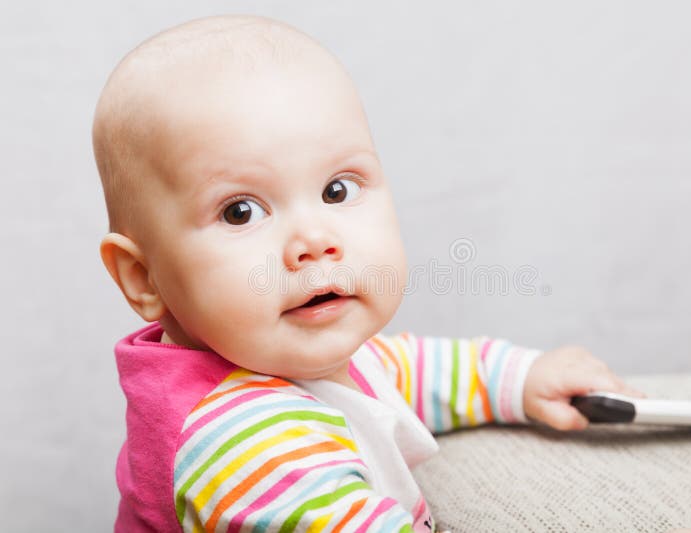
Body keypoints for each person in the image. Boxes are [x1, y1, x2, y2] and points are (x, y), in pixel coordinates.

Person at [94, 15, 645, 532]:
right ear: (145, 279)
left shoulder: (292, 353)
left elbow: (406, 370)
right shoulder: (243, 445)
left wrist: (519, 377)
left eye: (337, 190)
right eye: (241, 210)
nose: (314, 240)